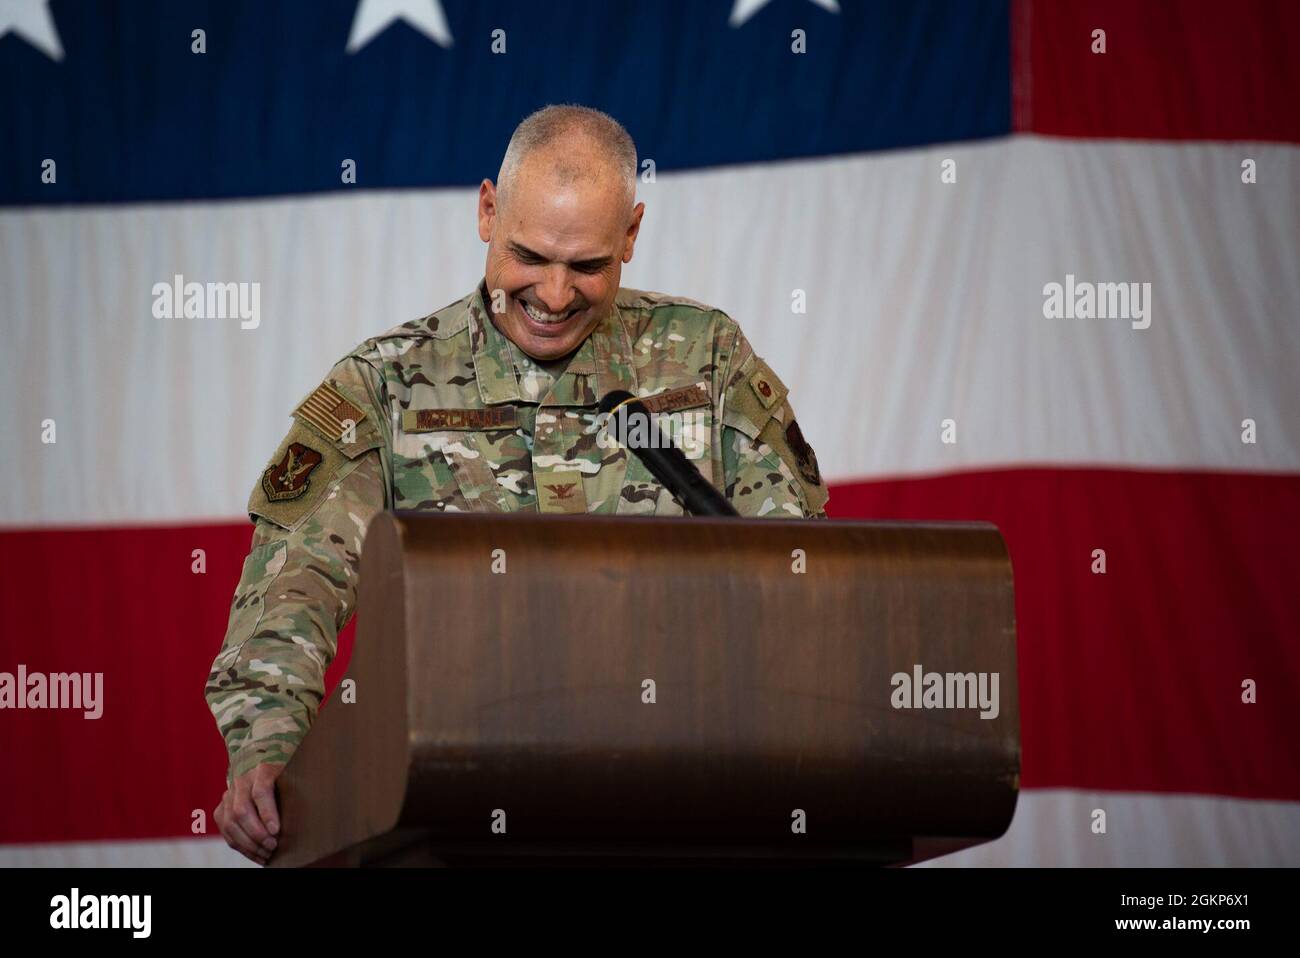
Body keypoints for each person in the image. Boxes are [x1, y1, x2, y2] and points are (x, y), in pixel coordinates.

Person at [207, 104, 828, 864]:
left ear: (632, 234)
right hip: (452, 815)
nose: (556, 295)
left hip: (678, 805)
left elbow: (800, 570)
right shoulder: (388, 385)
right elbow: (297, 583)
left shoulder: (706, 360)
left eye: (589, 265)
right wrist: (267, 749)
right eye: (529, 256)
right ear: (487, 211)